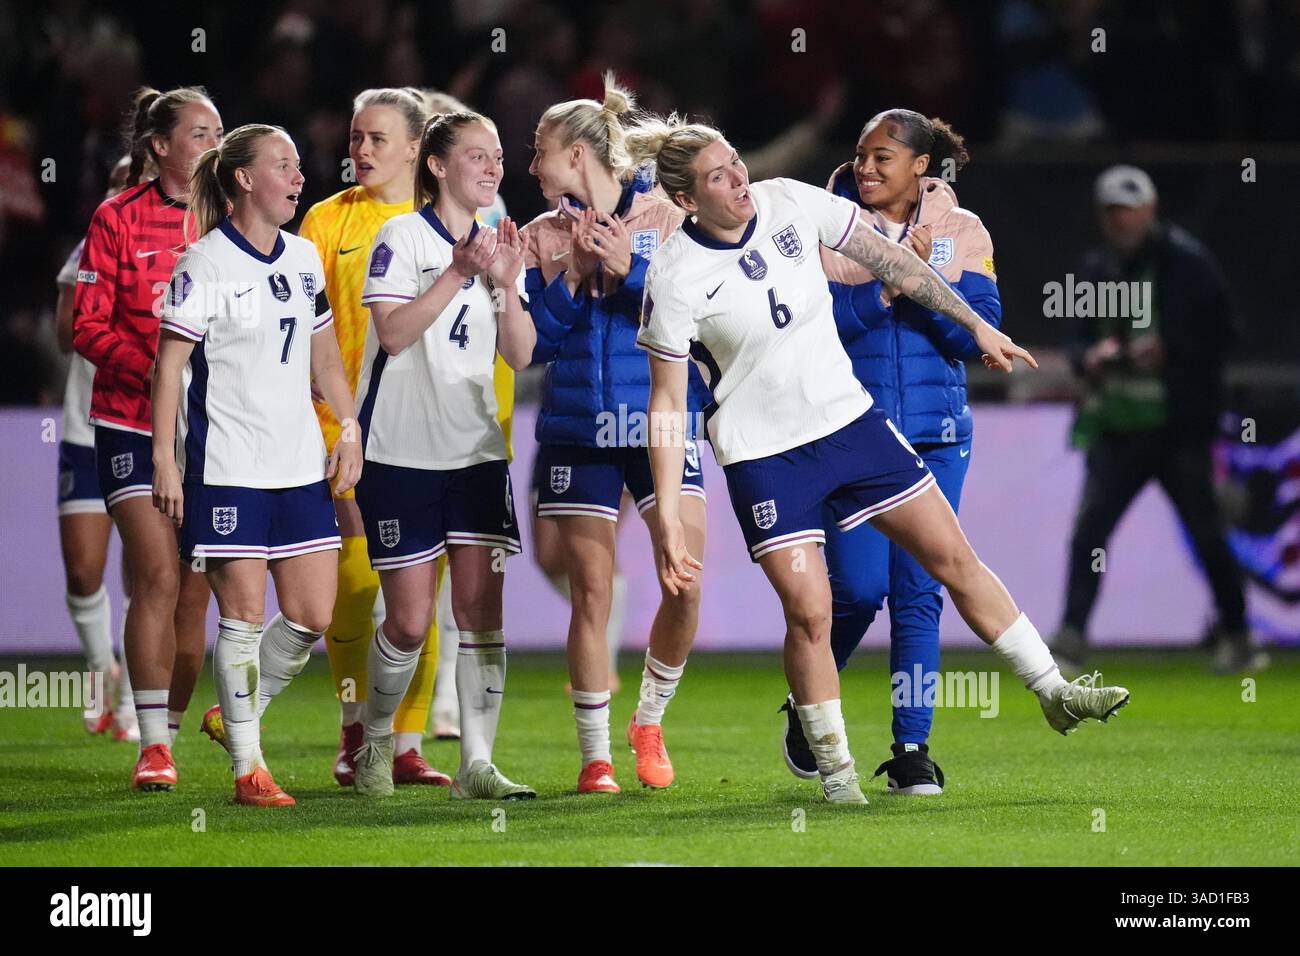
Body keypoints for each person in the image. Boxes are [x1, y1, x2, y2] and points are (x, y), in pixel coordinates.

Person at [628, 114, 1131, 804]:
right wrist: (668, 522)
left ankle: (1054, 691)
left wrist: (978, 324)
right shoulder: (676, 276)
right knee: (814, 612)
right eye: (718, 177)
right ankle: (837, 776)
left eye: (736, 163)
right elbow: (664, 401)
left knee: (952, 559)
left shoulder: (790, 202)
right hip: (766, 456)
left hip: (851, 424)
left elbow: (894, 262)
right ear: (687, 200)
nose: (739, 180)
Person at [777, 110, 1002, 796]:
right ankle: (809, 705)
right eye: (861, 156)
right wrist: (887, 285)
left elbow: (981, 334)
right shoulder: (823, 229)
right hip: (852, 436)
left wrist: (928, 288)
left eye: (884, 158)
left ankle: (912, 748)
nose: (868, 168)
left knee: (919, 594)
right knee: (857, 589)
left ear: (922, 167)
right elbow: (820, 328)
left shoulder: (962, 233)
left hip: (937, 435)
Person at [152, 123, 362, 807]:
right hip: (229, 466)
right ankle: (248, 767)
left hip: (299, 464)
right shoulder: (204, 265)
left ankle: (231, 714)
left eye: (299, 165)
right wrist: (163, 457)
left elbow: (324, 354)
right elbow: (170, 367)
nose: (299, 176)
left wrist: (349, 426)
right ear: (243, 179)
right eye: (283, 165)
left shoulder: (303, 259)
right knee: (241, 616)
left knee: (310, 613)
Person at [523, 75, 712, 793]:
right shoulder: (543, 236)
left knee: (685, 584)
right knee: (591, 594)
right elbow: (532, 346)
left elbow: (693, 319)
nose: (532, 167)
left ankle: (650, 717)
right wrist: (574, 273)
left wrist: (628, 270)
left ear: (575, 153)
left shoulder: (669, 220)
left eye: (539, 152)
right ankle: (596, 756)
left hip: (660, 424)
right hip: (577, 429)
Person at [350, 109, 536, 800]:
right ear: (436, 165)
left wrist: (509, 282)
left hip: (477, 452)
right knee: (407, 620)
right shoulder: (400, 235)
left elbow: (519, 353)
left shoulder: (495, 247)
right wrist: (459, 273)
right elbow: (394, 334)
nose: (493, 168)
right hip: (400, 451)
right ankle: (374, 741)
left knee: (482, 610)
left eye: (498, 158)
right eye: (477, 156)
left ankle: (477, 765)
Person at [294, 87, 454, 788]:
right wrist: (332, 422)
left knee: (421, 599)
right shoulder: (327, 221)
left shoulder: (450, 223)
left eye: (377, 139)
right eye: (356, 137)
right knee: (359, 590)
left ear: (417, 148)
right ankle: (357, 731)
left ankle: (407, 743)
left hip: (433, 434)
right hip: (348, 431)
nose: (360, 150)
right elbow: (302, 327)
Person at [1050, 165, 1265, 675]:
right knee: (1089, 534)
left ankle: (1238, 636)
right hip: (1117, 428)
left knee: (1209, 534)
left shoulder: (1188, 265)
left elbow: (1226, 332)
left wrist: (1171, 350)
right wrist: (1091, 359)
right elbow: (1078, 342)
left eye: (1127, 210)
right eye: (1111, 212)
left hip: (1178, 430)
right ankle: (1072, 637)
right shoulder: (1097, 268)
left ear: (1149, 209)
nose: (1119, 220)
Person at [72, 86, 219, 791]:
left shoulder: (235, 220)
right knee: (158, 574)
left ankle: (174, 722)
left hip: (220, 430)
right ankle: (152, 745)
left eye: (220, 131)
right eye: (198, 132)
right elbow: (86, 325)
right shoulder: (117, 217)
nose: (213, 143)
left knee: (197, 599)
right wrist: (163, 369)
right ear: (159, 146)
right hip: (130, 419)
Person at [53, 157, 142, 741]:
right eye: (113, 181)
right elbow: (67, 336)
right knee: (84, 570)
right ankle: (97, 668)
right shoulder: (90, 250)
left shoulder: (183, 248)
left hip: (145, 431)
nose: (120, 191)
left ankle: (137, 697)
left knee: (147, 574)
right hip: (86, 430)